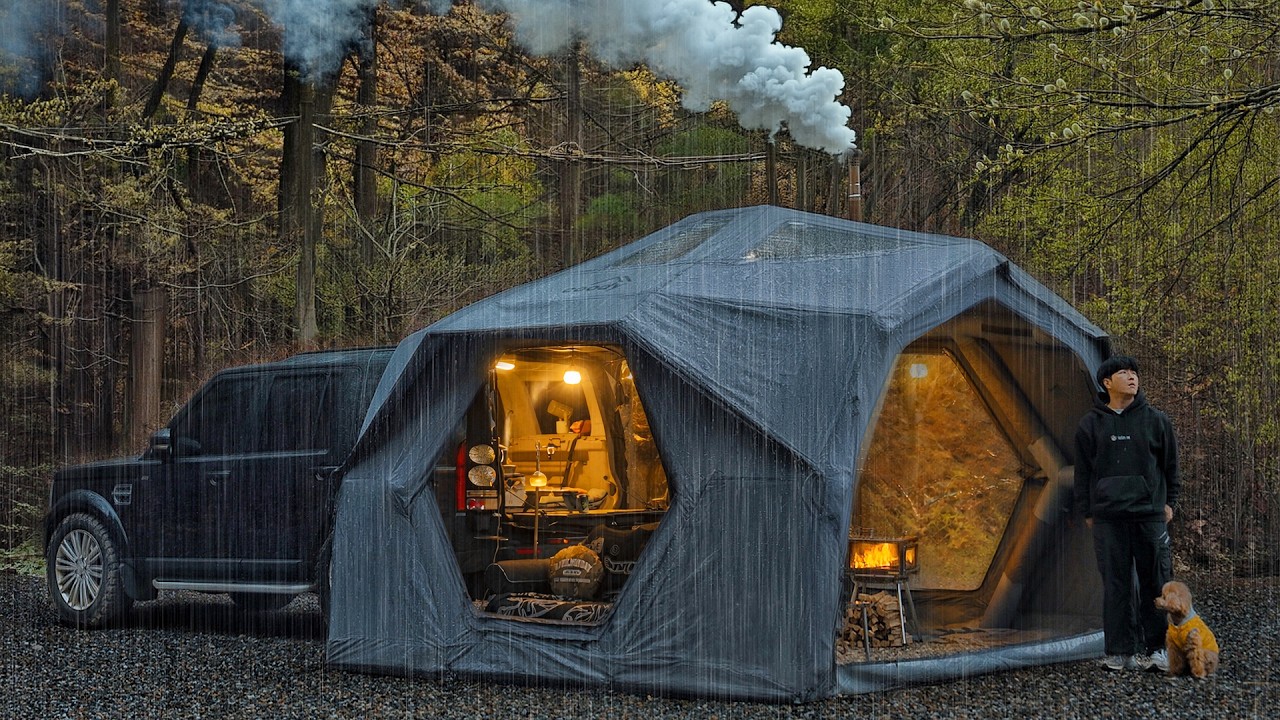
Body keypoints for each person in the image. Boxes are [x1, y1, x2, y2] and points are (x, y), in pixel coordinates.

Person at [1073, 355, 1178, 672]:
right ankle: (1121, 652)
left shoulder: (1156, 420)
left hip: (1149, 517)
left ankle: (1159, 650)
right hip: (1108, 519)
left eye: (1134, 372)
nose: (1132, 377)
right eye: (1123, 373)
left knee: (1156, 584)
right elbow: (1083, 472)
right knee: (1116, 586)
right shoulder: (1091, 423)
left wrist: (1170, 501)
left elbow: (1171, 467)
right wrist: (1088, 511)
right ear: (1107, 382)